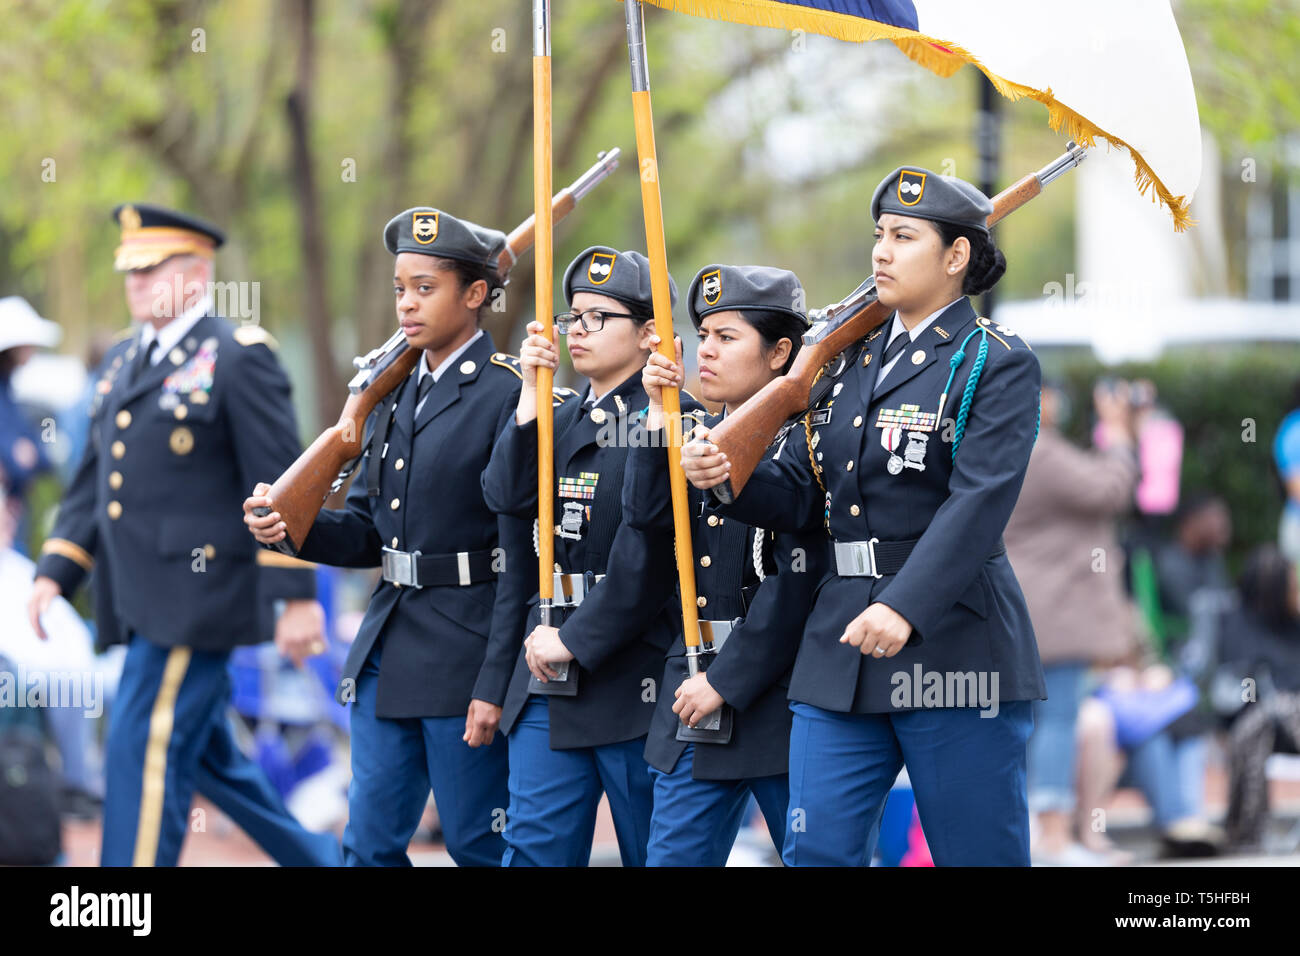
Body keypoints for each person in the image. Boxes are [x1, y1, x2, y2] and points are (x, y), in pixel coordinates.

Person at [682, 167, 1045, 866]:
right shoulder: (845, 365)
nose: (881, 251)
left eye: (903, 236)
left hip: (952, 645)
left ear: (956, 256)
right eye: (879, 234)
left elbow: (979, 504)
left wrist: (905, 605)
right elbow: (802, 494)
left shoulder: (990, 363)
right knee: (816, 851)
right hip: (840, 642)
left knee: (978, 854)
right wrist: (728, 478)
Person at [27, 203, 338, 866]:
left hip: (200, 601)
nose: (134, 282)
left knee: (140, 749)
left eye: (151, 269)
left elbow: (279, 484)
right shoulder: (120, 361)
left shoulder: (237, 356)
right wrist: (55, 572)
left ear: (197, 275)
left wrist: (295, 595)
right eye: (129, 270)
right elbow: (93, 484)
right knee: (209, 758)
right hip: (135, 598)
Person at [245, 208, 534, 866]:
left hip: (465, 652)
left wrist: (494, 682)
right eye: (400, 288)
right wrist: (292, 529)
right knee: (368, 846)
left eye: (426, 287)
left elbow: (521, 560)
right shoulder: (394, 398)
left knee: (475, 842)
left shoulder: (506, 394)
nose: (407, 303)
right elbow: (370, 534)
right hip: (388, 651)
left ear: (477, 293)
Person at [481, 246, 685, 866]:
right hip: (546, 671)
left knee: (652, 852)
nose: (579, 332)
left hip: (631, 677)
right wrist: (527, 405)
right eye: (573, 318)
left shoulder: (672, 419)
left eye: (600, 318)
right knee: (533, 851)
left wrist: (577, 641)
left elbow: (646, 557)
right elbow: (505, 498)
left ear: (651, 333)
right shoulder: (558, 414)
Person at [625, 264, 817, 866]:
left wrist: (725, 682)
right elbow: (645, 517)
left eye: (727, 337)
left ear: (780, 352)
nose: (705, 350)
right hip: (693, 685)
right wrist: (660, 415)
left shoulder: (807, 437)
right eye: (702, 334)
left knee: (816, 856)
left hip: (779, 696)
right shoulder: (699, 431)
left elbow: (798, 580)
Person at [1002, 379, 1141, 864]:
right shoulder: (1036, 449)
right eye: (1046, 388)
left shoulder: (1002, 442)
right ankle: (1055, 839)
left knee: (1038, 724)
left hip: (1032, 610)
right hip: (1051, 613)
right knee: (1057, 720)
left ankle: (1046, 836)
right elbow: (1110, 489)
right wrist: (1120, 434)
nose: (1056, 399)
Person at [1220, 544, 1300, 850]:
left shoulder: (1294, 624)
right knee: (1259, 721)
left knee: (1268, 717)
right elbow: (1244, 684)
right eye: (1291, 581)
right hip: (1262, 719)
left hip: (1289, 719)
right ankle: (1247, 829)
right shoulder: (1238, 623)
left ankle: (1245, 829)